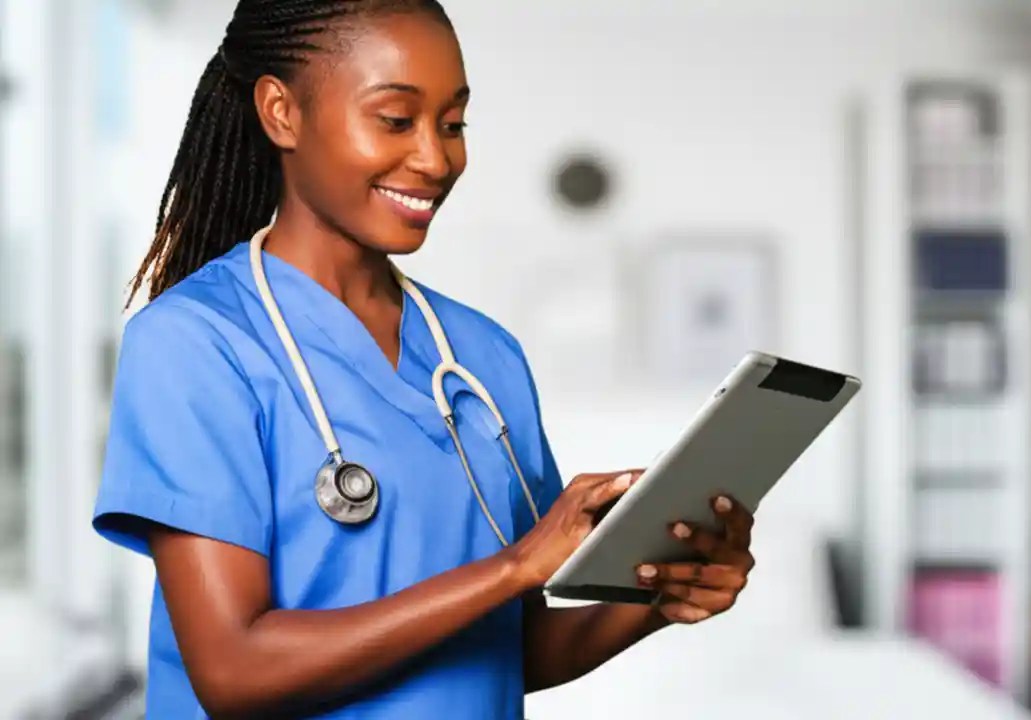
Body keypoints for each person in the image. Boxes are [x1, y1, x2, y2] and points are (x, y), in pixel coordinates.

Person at [91, 2, 757, 718]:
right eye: (395, 119)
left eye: (453, 123)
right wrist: (508, 570)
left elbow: (511, 647)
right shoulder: (196, 343)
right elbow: (234, 670)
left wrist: (659, 598)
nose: (437, 159)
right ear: (281, 113)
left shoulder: (482, 359)